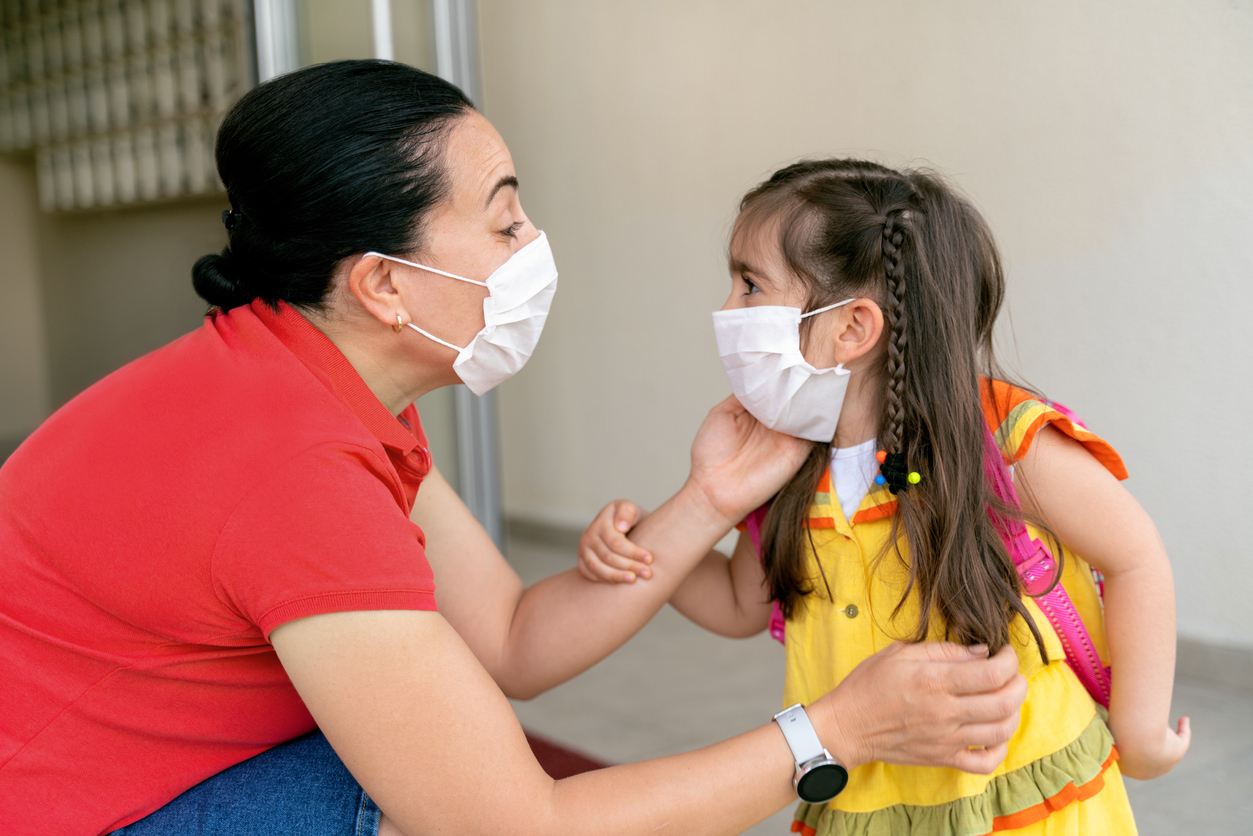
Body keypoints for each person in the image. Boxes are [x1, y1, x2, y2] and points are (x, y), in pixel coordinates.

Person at [0, 66, 1028, 836]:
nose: (534, 244)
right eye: (503, 224)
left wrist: (708, 499)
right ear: (382, 284)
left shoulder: (308, 379)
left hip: (132, 762)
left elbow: (508, 641)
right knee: (425, 797)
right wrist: (835, 731)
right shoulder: (292, 468)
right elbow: (515, 824)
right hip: (65, 810)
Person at [579, 159, 1191, 834]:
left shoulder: (1000, 438)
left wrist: (1141, 731)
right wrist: (650, 539)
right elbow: (736, 602)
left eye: (749, 285)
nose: (727, 309)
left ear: (852, 329)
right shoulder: (785, 465)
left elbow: (1135, 558)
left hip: (1028, 805)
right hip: (862, 807)